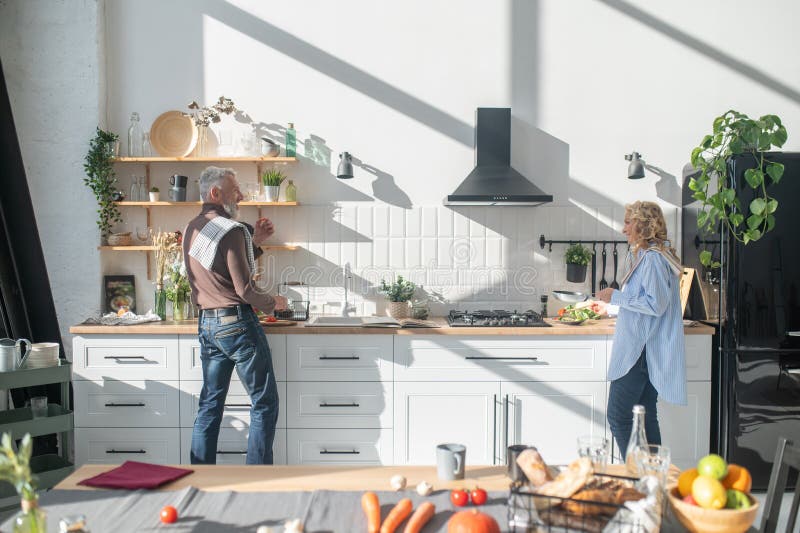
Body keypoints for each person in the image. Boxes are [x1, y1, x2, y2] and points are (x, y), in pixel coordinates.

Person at [183, 166, 287, 464]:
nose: (240, 195)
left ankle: (202, 475)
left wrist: (255, 243)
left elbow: (218, 267)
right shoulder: (231, 229)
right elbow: (244, 290)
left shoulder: (193, 227)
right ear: (215, 193)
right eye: (234, 190)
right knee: (264, 403)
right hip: (237, 326)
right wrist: (273, 303)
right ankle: (256, 476)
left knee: (210, 404)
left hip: (208, 324)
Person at [596, 201, 686, 459]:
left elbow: (655, 304)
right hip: (648, 351)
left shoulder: (653, 260)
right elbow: (649, 302)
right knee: (646, 417)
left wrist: (616, 297)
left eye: (628, 222)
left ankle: (639, 475)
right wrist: (615, 304)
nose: (623, 229)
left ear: (643, 225)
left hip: (640, 353)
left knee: (619, 415)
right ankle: (653, 478)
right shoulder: (654, 256)